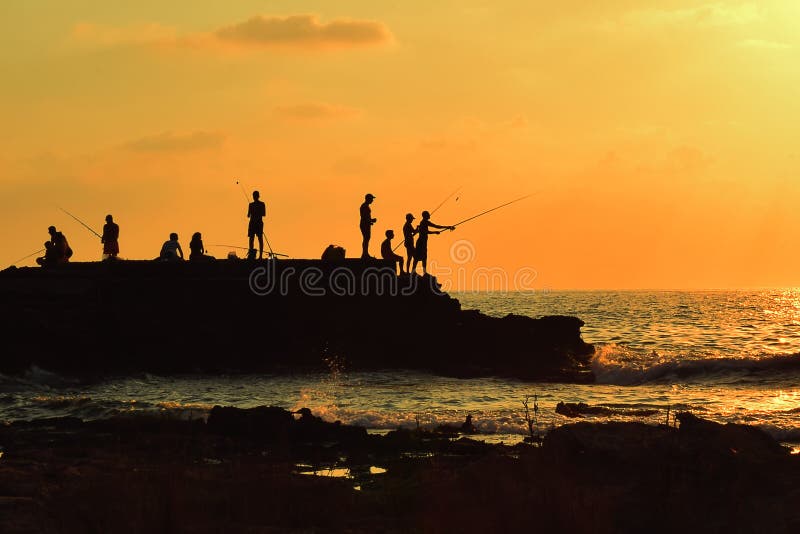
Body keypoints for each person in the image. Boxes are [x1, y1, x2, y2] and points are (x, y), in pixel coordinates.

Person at [411, 211, 454, 275]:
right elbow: (428, 231)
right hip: (421, 242)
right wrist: (436, 232)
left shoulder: (424, 222)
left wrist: (447, 227)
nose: (429, 215)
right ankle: (414, 271)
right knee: (418, 257)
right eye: (428, 215)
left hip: (423, 242)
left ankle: (423, 272)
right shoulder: (424, 222)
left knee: (424, 257)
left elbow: (435, 227)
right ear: (425, 216)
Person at [247, 191, 266, 260]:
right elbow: (263, 214)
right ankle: (254, 255)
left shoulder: (252, 205)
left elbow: (248, 215)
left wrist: (254, 213)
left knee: (257, 239)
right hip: (256, 223)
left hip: (256, 223)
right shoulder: (260, 204)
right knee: (253, 239)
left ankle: (259, 256)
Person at [359, 193, 377, 259]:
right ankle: (365, 254)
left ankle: (365, 253)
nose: (372, 200)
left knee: (367, 239)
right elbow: (364, 217)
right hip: (364, 224)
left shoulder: (366, 206)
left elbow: (366, 217)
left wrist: (371, 220)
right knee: (366, 239)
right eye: (372, 199)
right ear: (368, 199)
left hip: (366, 224)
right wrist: (370, 221)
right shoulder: (364, 206)